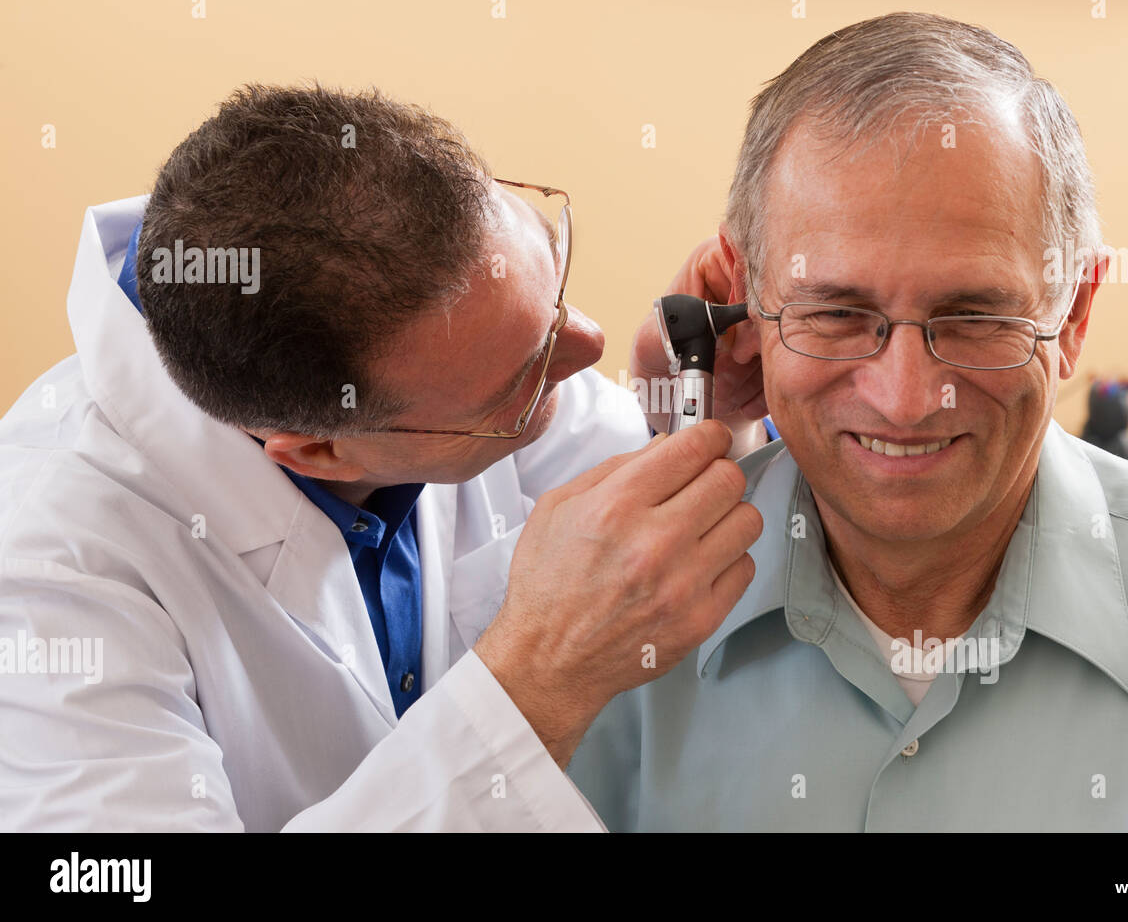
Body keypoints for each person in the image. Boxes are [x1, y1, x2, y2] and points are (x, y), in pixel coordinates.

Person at [568, 12, 1128, 831]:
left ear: (1076, 313)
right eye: (839, 313)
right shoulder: (600, 641)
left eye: (973, 316)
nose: (907, 398)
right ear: (745, 297)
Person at [0, 84, 767, 831]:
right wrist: (537, 683)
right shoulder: (50, 580)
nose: (593, 345)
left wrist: (702, 406)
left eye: (554, 283)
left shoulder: (424, 354)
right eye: (527, 374)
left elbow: (631, 491)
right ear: (320, 450)